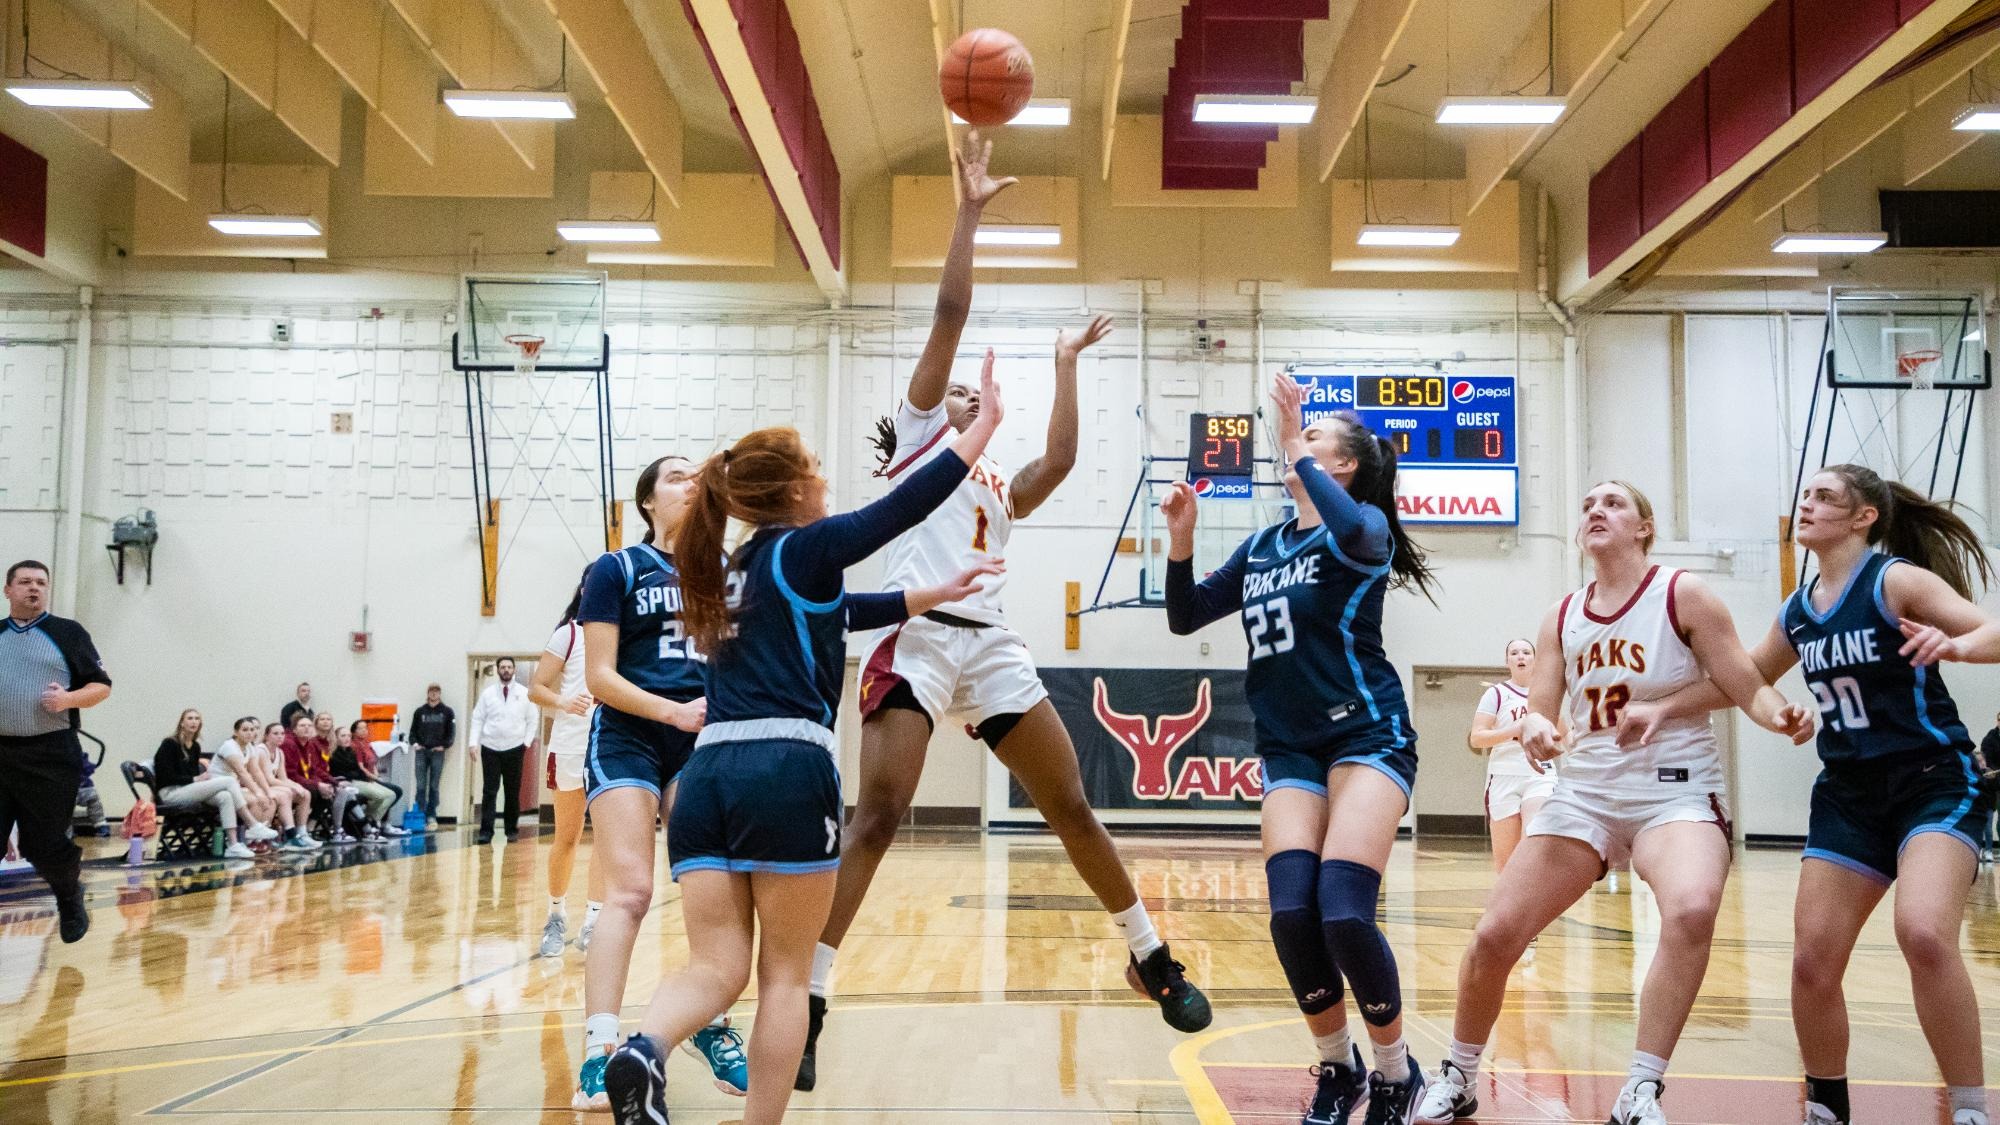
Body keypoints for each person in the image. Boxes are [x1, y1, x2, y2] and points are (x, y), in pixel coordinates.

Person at [800, 137, 1204, 1092]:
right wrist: (970, 212)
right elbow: (950, 309)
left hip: (991, 651)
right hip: (918, 640)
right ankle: (809, 997)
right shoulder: (915, 439)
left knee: (1068, 802)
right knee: (880, 814)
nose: (970, 389)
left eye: (982, 391)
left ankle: (1149, 954)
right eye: (959, 387)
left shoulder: (987, 480)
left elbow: (1058, 464)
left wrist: (1064, 364)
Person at [602, 356, 1009, 1125]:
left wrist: (929, 594)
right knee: (785, 975)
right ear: (793, 491)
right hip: (787, 769)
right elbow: (905, 506)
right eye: (817, 470)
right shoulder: (806, 545)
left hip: (706, 774)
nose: (826, 482)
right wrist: (982, 427)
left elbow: (840, 611)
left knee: (716, 967)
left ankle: (642, 1048)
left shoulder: (724, 570)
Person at [1414, 480, 1813, 1125]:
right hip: (1585, 793)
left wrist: (1780, 715)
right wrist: (1540, 727)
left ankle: (1641, 1088)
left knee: (1689, 908)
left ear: (1644, 528)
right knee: (1494, 934)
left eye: (1613, 504)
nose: (1595, 511)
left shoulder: (1683, 593)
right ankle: (1459, 1074)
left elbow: (1745, 680)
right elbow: (1543, 704)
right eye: (1587, 506)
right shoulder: (1564, 614)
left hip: (1674, 789)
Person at [1622, 465, 1998, 1125]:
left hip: (1931, 780)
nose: (1808, 505)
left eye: (1825, 496)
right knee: (1811, 962)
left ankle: (1969, 1107)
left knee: (1924, 933)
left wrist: (1959, 644)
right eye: (1805, 495)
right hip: (1848, 793)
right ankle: (1826, 1105)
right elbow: (1745, 678)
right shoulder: (1799, 609)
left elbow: (1991, 631)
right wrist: (1665, 708)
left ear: (1864, 517)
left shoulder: (1894, 579)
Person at [1163, 375, 1439, 1125]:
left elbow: (1355, 533)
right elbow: (1184, 616)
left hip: (1366, 734)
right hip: (1290, 746)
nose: (1302, 444)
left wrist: (1292, 444)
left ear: (1343, 466)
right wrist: (1181, 543)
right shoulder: (1261, 546)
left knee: (1343, 912)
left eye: (1318, 439)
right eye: (1304, 437)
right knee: (1292, 914)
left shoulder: (1364, 531)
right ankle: (1336, 1065)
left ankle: (1392, 1070)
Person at [572, 456, 747, 1110]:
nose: (690, 483)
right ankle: (599, 1050)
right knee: (632, 890)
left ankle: (710, 1021)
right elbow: (599, 675)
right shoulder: (616, 568)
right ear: (648, 500)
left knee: (712, 886)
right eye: (676, 475)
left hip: (698, 735)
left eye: (695, 476)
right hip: (629, 731)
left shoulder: (723, 574)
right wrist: (671, 710)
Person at [0, 560, 111, 942]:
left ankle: (68, 895)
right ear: (8, 590)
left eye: (41, 582)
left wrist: (67, 699)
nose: (34, 588)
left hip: (49, 753)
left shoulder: (67, 633)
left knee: (43, 844)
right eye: (25, 582)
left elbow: (101, 686)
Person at [532, 575, 605, 959]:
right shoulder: (569, 634)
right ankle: (556, 916)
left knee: (608, 841)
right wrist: (563, 701)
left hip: (612, 747)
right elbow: (537, 687)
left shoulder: (623, 634)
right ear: (583, 590)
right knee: (567, 838)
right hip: (570, 746)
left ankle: (594, 921)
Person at [1471, 639, 1555, 874]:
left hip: (1540, 774)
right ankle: (1511, 908)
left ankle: (1538, 907)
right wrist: (1515, 730)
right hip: (1504, 774)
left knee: (1534, 839)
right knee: (1505, 864)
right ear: (1507, 661)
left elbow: (1563, 737)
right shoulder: (1496, 694)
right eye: (1514, 653)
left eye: (1527, 652)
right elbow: (1477, 738)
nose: (1521, 656)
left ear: (1535, 660)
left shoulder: (1546, 695)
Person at [153, 710, 276, 858]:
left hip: (188, 790)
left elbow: (192, 774)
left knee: (224, 796)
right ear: (182, 723)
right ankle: (253, 824)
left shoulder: (195, 746)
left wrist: (197, 778)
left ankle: (233, 845)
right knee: (230, 781)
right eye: (190, 718)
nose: (193, 721)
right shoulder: (170, 743)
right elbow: (165, 775)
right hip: (170, 792)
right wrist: (194, 779)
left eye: (197, 718)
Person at [214, 717, 315, 852]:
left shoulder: (251, 748)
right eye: (246, 729)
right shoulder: (236, 746)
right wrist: (261, 792)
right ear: (236, 732)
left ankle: (275, 836)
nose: (251, 732)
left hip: (236, 785)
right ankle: (252, 839)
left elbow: (257, 772)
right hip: (220, 786)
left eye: (253, 729)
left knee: (273, 796)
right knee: (264, 798)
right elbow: (245, 774)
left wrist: (268, 792)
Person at [469, 657, 538, 844]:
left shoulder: (525, 693)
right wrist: (472, 743)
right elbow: (477, 718)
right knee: (489, 791)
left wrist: (527, 742)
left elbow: (533, 719)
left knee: (512, 791)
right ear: (498, 670)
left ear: (514, 669)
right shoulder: (488, 694)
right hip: (490, 748)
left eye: (509, 667)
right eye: (502, 667)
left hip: (515, 748)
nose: (506, 670)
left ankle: (511, 830)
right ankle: (486, 831)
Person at [282, 713, 356, 843]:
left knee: (329, 790)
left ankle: (310, 829)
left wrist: (328, 782)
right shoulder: (290, 744)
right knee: (320, 792)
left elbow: (313, 770)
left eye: (309, 726)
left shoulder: (308, 744)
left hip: (306, 780)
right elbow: (291, 774)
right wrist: (318, 784)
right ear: (294, 730)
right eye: (302, 725)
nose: (306, 728)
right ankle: (304, 831)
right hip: (290, 782)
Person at [252, 720, 319, 849]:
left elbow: (283, 777)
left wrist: (297, 785)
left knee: (306, 794)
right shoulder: (261, 751)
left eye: (282, 733)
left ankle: (302, 833)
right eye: (275, 733)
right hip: (259, 785)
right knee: (286, 793)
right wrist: (293, 786)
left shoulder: (279, 752)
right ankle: (290, 835)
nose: (280, 736)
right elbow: (270, 779)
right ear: (266, 736)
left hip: (271, 786)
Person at [330, 725, 403, 838]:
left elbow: (359, 769)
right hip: (348, 782)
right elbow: (343, 773)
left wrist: (369, 778)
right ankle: (368, 824)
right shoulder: (333, 754)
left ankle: (370, 820)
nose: (347, 738)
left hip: (360, 780)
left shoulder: (351, 751)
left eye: (348, 736)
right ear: (336, 738)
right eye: (343, 736)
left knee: (392, 794)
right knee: (383, 795)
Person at [346, 721, 409, 837]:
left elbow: (373, 763)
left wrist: (377, 775)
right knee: (394, 791)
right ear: (353, 732)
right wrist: (376, 779)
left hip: (372, 777)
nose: (364, 730)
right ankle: (374, 821)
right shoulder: (355, 746)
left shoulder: (367, 744)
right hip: (365, 779)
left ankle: (375, 820)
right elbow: (362, 768)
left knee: (396, 791)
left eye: (365, 728)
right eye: (360, 728)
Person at [409, 683, 455, 829]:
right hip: (421, 752)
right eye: (431, 691)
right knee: (421, 785)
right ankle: (421, 814)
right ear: (428, 693)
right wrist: (415, 744)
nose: (434, 694)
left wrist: (445, 745)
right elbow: (412, 731)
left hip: (438, 753)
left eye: (436, 691)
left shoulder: (447, 712)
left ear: (440, 693)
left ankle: (431, 815)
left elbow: (451, 732)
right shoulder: (419, 712)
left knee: (434, 785)